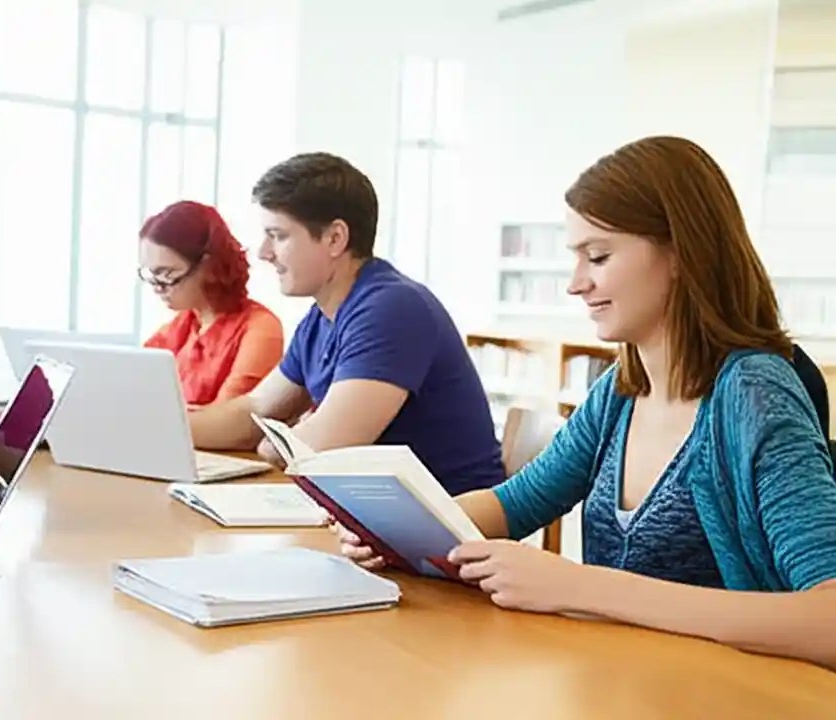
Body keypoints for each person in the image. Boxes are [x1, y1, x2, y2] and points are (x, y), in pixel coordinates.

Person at [337, 136, 836, 669]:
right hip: (617, 684)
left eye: (597, 256)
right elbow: (514, 504)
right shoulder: (621, 392)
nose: (576, 284)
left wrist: (582, 586)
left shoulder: (754, 395)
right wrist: (400, 530)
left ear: (680, 253)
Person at [186, 153, 504, 496]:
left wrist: (272, 442)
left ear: (335, 238)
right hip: (375, 511)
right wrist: (164, 429)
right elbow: (256, 411)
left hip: (447, 519)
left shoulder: (392, 309)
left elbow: (317, 453)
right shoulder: (321, 318)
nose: (264, 252)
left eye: (278, 235)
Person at [139, 201, 284, 407]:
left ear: (208, 266)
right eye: (151, 273)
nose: (157, 287)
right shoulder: (179, 328)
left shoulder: (259, 328)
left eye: (167, 273)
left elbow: (229, 418)